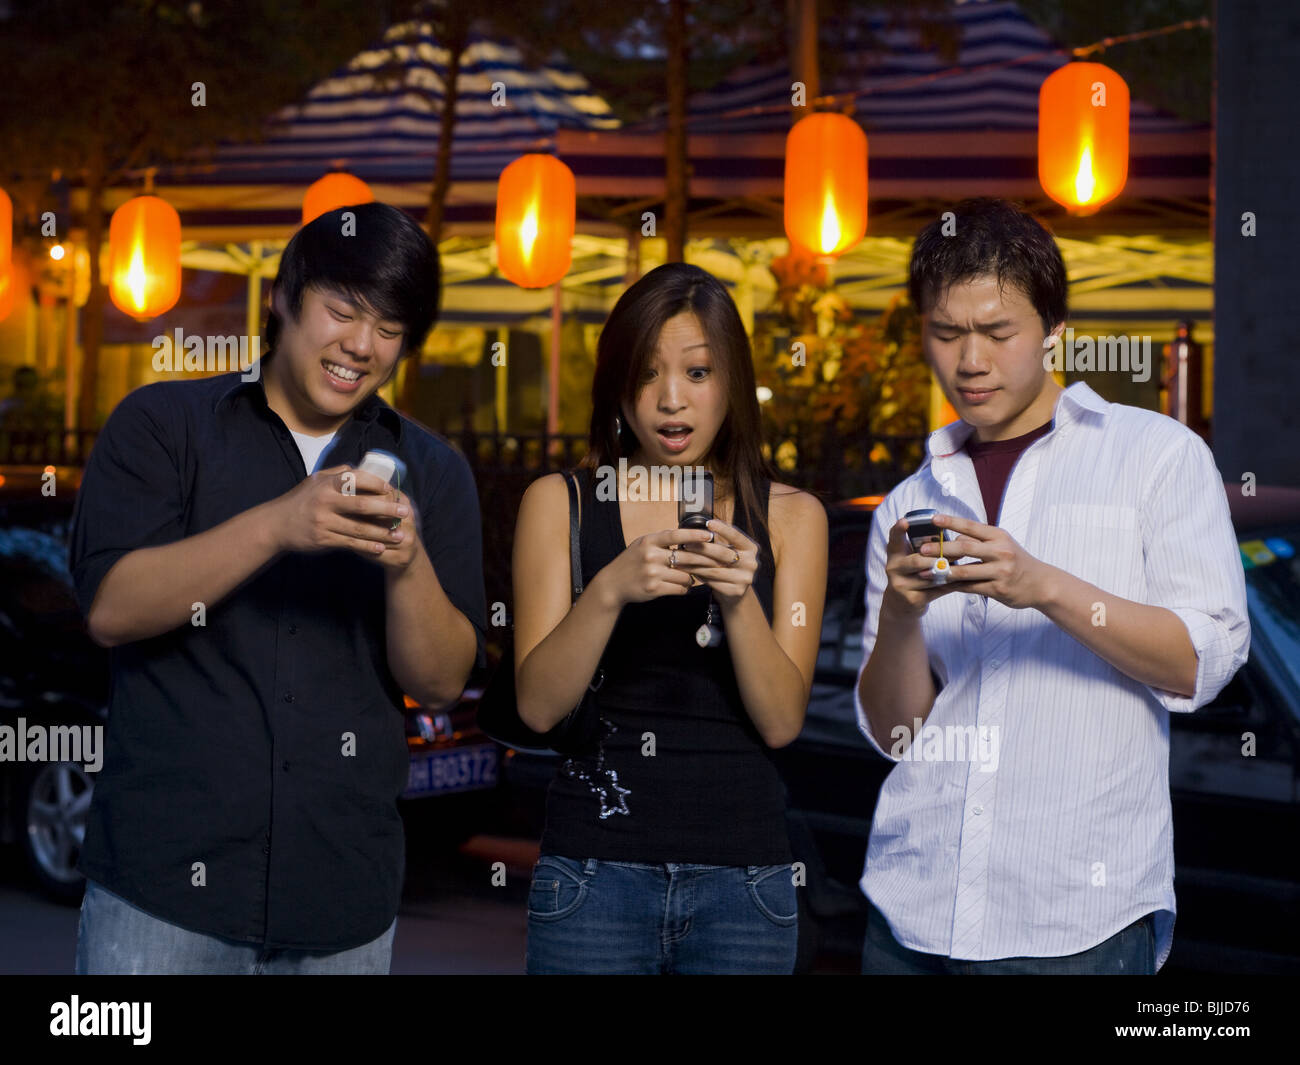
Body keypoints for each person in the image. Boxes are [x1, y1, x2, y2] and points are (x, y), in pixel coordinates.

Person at [69, 202, 487, 974]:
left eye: (389, 327)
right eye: (342, 311)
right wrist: (279, 524)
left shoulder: (433, 470)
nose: (361, 346)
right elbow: (111, 608)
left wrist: (407, 563)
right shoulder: (165, 424)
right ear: (283, 298)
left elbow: (439, 682)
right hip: (162, 895)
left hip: (340, 904)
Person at [854, 197, 1250, 974]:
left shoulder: (1156, 457)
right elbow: (896, 735)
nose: (971, 361)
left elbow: (1202, 661)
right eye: (947, 333)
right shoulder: (907, 503)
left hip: (1078, 919)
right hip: (913, 905)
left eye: (998, 333)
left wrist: (1042, 585)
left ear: (1054, 333)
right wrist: (901, 615)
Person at [512, 262, 827, 974]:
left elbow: (781, 721)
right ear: (619, 385)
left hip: (744, 880)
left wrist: (738, 599)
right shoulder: (559, 502)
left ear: (733, 383)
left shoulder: (792, 517)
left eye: (698, 371)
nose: (671, 399)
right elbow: (536, 706)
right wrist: (609, 589)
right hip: (593, 871)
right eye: (647, 373)